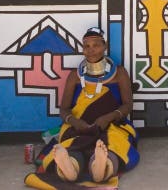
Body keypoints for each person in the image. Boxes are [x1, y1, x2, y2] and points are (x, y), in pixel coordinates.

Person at [33, 26, 139, 186]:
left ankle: (101, 167)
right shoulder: (75, 76)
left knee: (115, 144)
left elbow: (128, 105)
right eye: (86, 46)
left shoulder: (119, 73)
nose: (91, 50)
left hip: (112, 125)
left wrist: (109, 117)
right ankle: (70, 168)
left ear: (105, 46)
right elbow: (64, 109)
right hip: (78, 126)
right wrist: (76, 122)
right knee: (73, 145)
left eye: (96, 45)